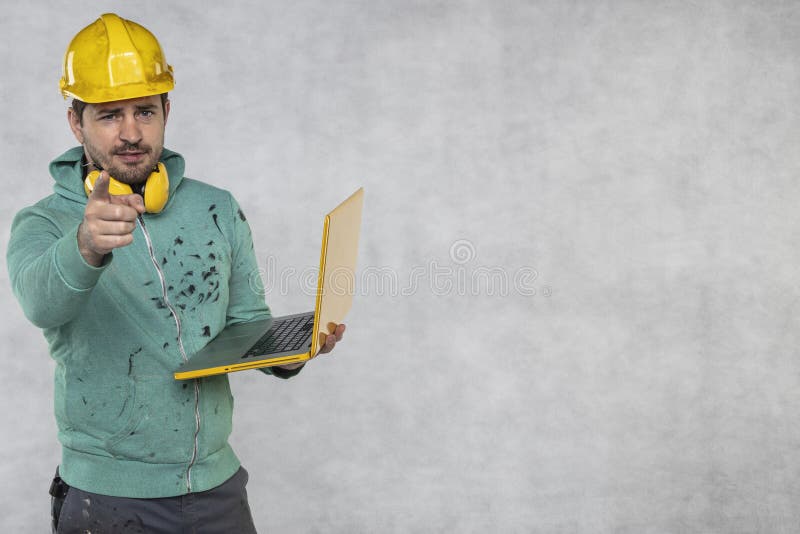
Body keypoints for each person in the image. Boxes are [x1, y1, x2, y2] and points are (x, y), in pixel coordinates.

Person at [6, 13, 345, 533]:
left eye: (145, 110)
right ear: (77, 123)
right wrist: (86, 245)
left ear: (167, 109)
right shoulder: (44, 223)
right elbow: (39, 302)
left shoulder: (216, 208)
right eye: (108, 115)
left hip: (218, 490)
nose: (131, 133)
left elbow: (247, 322)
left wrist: (298, 347)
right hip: (109, 499)